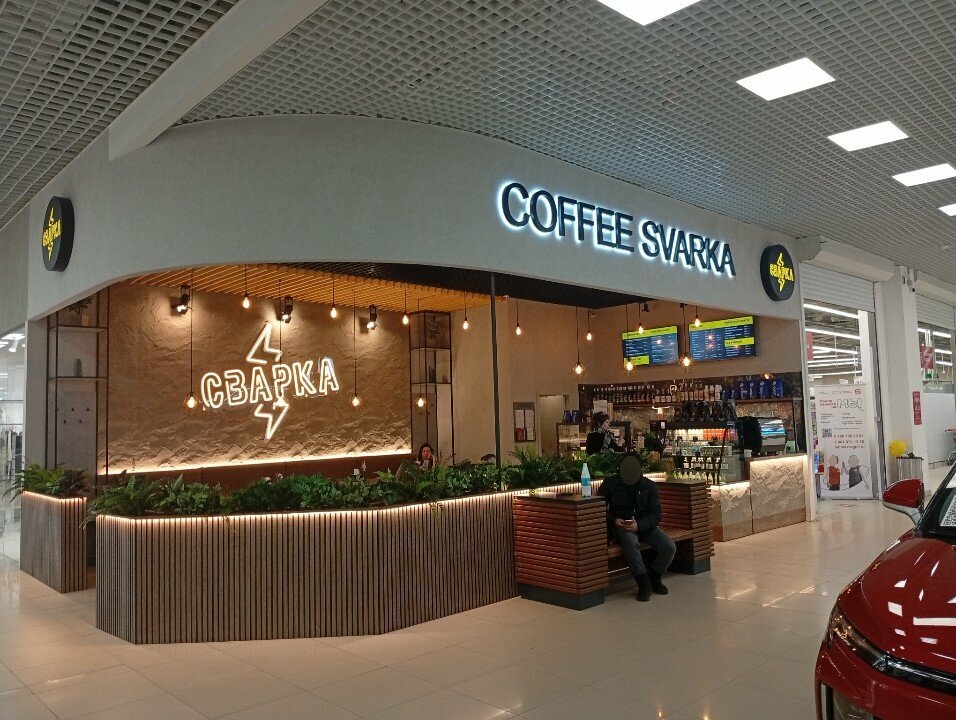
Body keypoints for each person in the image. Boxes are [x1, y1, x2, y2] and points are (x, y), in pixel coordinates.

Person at [599, 452, 676, 602]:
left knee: (669, 546)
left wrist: (639, 525)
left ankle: (654, 576)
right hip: (622, 527)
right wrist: (614, 520)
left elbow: (656, 513)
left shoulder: (649, 485)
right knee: (630, 542)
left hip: (645, 526)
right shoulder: (610, 483)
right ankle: (643, 583)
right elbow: (599, 507)